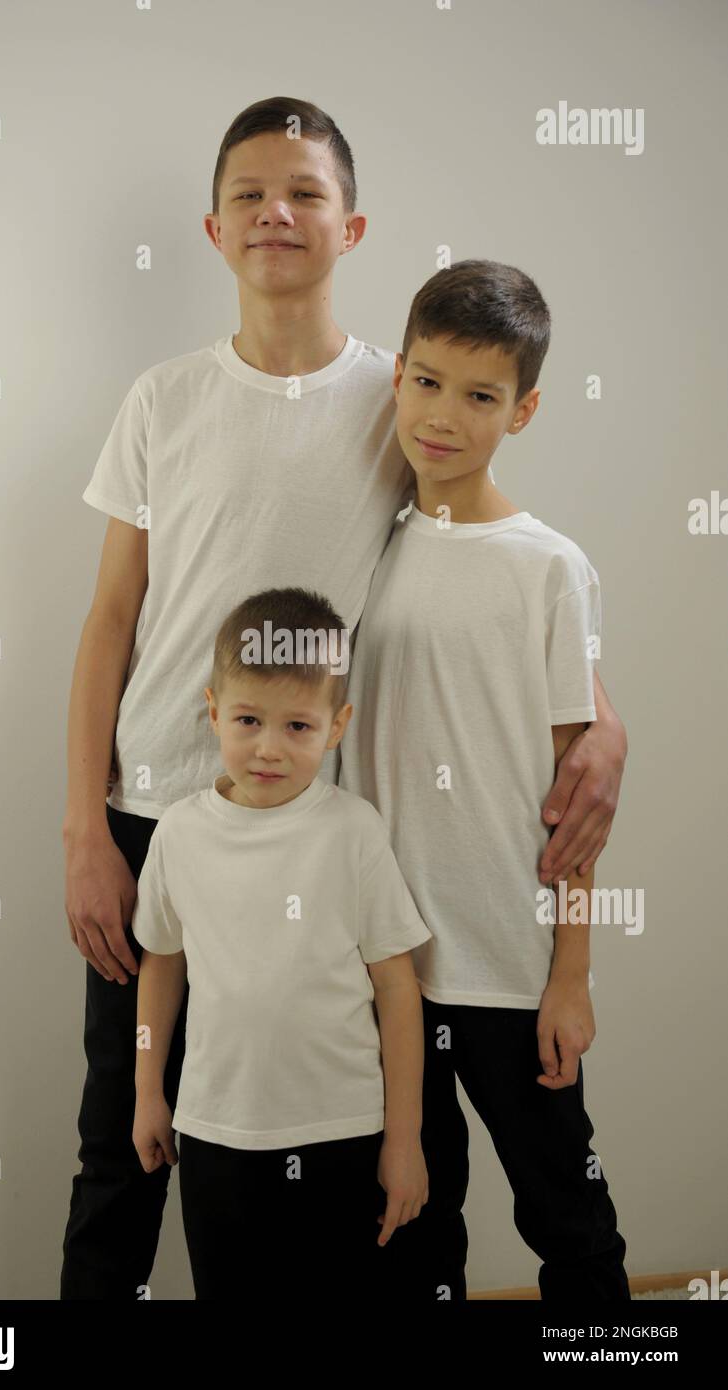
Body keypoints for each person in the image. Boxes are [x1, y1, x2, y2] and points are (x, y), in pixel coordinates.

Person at [60, 97, 628, 1300]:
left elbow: (493, 566)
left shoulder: (399, 400)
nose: (277, 212)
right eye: (252, 194)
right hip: (158, 806)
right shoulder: (161, 400)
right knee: (124, 1136)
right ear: (212, 227)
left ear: (351, 226)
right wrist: (80, 827)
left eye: (306, 192)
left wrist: (602, 716)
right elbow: (110, 619)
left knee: (342, 1137)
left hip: (316, 824)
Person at [338, 258, 631, 1300]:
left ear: (524, 408)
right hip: (390, 966)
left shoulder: (548, 566)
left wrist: (571, 974)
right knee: (414, 1223)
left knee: (567, 1213)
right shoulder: (364, 546)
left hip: (509, 963)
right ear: (397, 380)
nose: (443, 415)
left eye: (479, 395)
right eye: (425, 381)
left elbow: (574, 795)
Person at [130, 587, 441, 1300]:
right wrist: (149, 1093)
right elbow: (160, 969)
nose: (268, 748)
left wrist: (403, 1139)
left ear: (336, 726)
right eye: (247, 719)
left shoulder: (353, 832)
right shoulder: (178, 834)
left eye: (297, 726)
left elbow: (397, 987)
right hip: (217, 1133)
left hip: (343, 1131)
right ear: (212, 710)